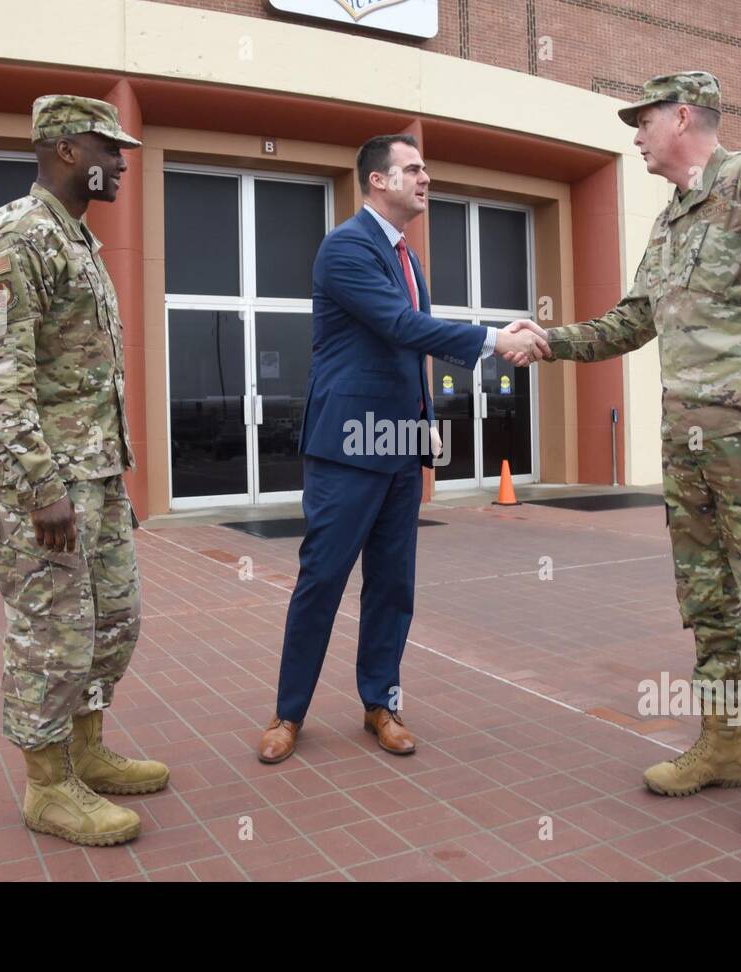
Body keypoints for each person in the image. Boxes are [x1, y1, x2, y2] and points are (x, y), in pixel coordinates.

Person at [542, 72, 741, 839]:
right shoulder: (673, 219)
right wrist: (547, 340)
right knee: (707, 605)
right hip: (688, 451)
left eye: (642, 120)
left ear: (683, 116)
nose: (635, 134)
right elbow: (631, 321)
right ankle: (720, 746)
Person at [257, 134, 549, 764]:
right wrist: (497, 339)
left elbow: (407, 349)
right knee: (323, 580)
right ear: (377, 182)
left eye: (426, 168)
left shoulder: (409, 259)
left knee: (393, 586)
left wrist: (425, 419)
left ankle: (379, 704)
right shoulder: (347, 248)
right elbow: (399, 324)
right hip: (347, 447)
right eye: (413, 169)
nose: (425, 178)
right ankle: (288, 713)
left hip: (401, 444)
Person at [0, 94, 168, 847]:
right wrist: (41, 488)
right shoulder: (19, 236)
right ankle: (47, 787)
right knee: (51, 632)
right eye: (107, 148)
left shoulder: (77, 240)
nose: (119, 162)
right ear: (66, 150)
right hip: (45, 483)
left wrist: (102, 476)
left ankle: (86, 749)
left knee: (113, 619)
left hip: (96, 475)